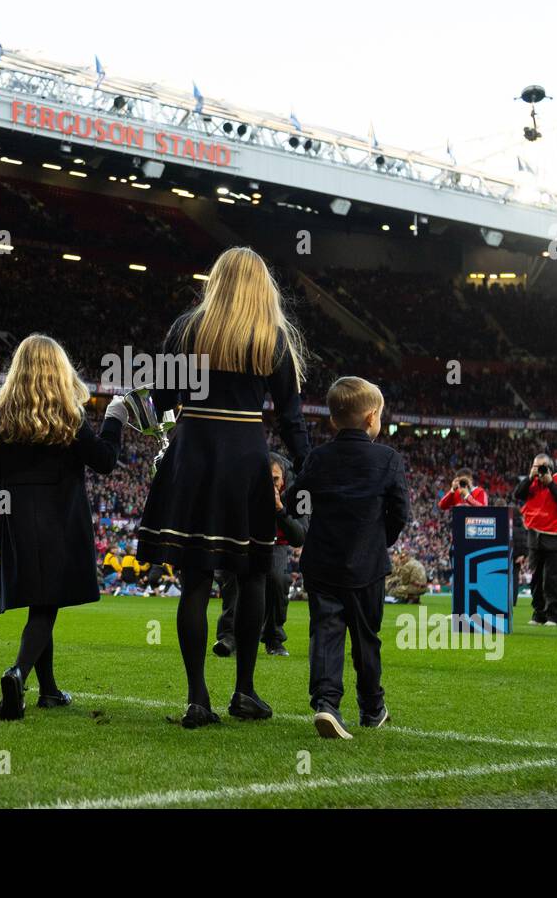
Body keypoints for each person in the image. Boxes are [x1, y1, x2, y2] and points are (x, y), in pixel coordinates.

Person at [137, 246, 310, 728]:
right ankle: (245, 692)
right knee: (252, 574)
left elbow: (164, 400)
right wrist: (309, 471)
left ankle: (197, 698)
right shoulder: (271, 338)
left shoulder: (187, 328)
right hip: (246, 458)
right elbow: (291, 418)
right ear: (262, 286)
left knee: (195, 579)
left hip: (193, 453)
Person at [0, 334, 126, 720]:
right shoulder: (69, 416)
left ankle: (48, 690)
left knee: (41, 600)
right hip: (58, 521)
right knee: (46, 604)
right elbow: (104, 461)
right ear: (58, 370)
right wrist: (115, 420)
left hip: (14, 521)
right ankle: (17, 672)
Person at [284, 377, 409, 739]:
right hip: (367, 566)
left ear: (335, 420)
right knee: (366, 637)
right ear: (372, 418)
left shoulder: (318, 458)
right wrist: (380, 539)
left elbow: (295, 502)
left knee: (326, 631)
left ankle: (326, 703)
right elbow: (399, 512)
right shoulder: (387, 458)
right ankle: (372, 707)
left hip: (322, 563)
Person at [214, 452, 308, 657]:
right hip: (243, 540)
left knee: (278, 578)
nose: (269, 484)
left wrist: (280, 509)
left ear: (284, 478)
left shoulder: (301, 491)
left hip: (277, 543)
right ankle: (229, 636)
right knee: (231, 574)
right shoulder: (243, 484)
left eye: (274, 479)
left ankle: (274, 638)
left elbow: (300, 536)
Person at [512, 452, 557, 627]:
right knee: (536, 580)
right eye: (535, 466)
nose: (539, 470)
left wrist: (550, 483)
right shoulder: (531, 483)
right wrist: (529, 477)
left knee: (552, 580)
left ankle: (555, 616)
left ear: (550, 467)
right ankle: (539, 614)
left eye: (542, 467)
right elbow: (517, 495)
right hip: (536, 538)